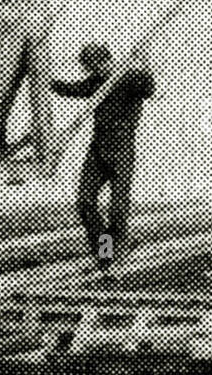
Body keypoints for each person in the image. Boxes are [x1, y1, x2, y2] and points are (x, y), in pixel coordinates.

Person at [51, 42, 155, 274]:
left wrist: (145, 63)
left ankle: (114, 250)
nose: (91, 71)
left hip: (122, 152)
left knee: (118, 209)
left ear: (104, 61)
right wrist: (43, 77)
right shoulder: (96, 82)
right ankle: (105, 251)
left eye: (93, 66)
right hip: (97, 151)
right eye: (89, 68)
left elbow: (149, 89)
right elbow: (71, 90)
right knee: (85, 201)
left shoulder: (128, 78)